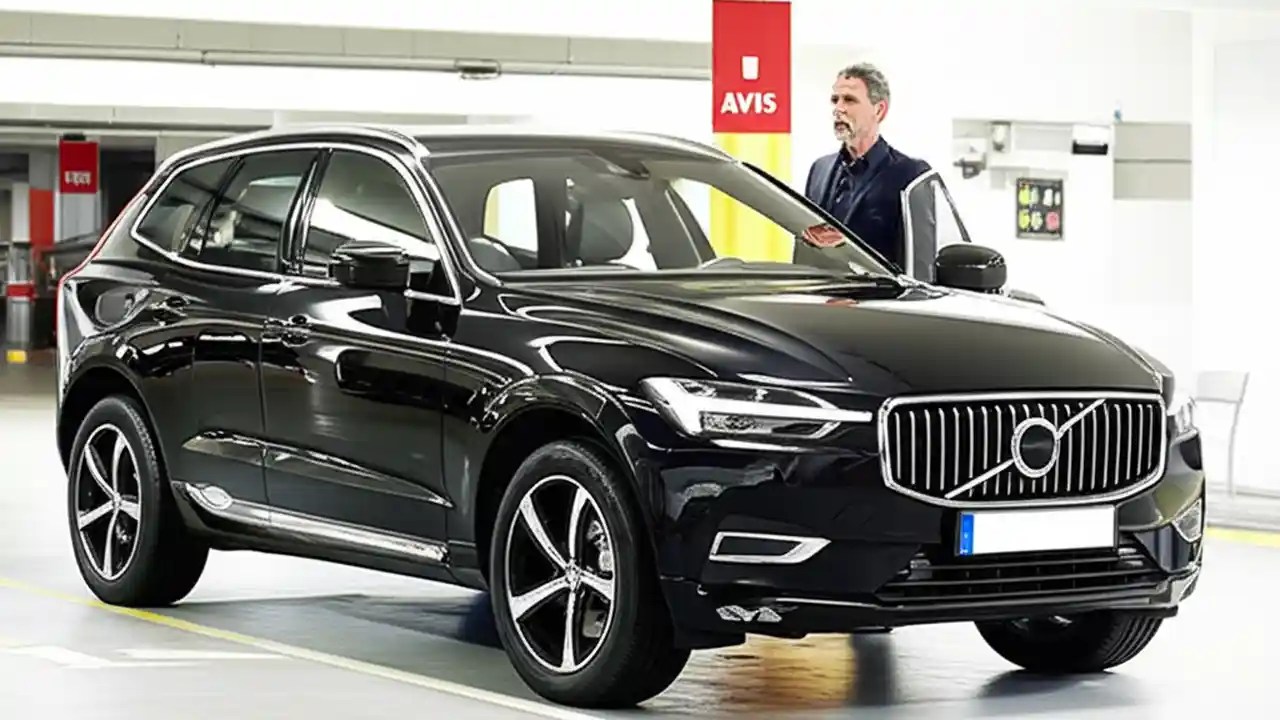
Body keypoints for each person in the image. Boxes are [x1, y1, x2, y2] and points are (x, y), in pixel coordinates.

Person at [803, 63, 931, 272]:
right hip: (822, 298)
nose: (838, 109)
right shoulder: (820, 169)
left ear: (879, 110)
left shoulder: (911, 175)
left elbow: (920, 266)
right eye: (835, 100)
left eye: (850, 100)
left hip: (877, 301)